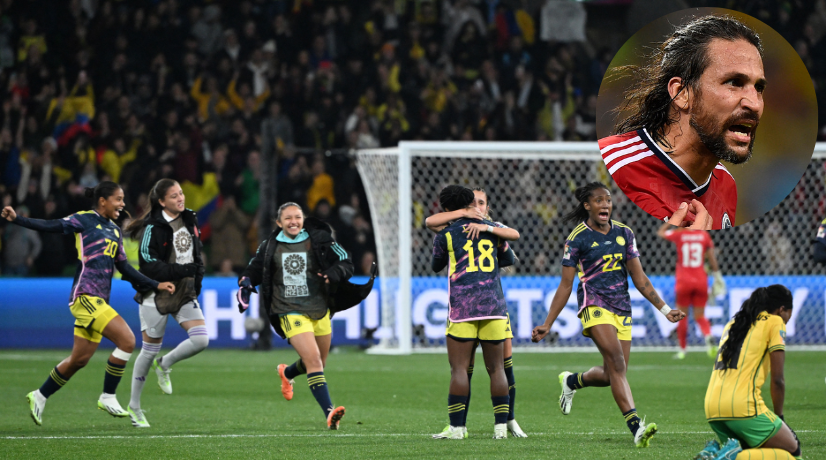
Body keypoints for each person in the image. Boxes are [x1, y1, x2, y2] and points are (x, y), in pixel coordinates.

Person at [1, 181, 174, 426]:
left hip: (99, 300)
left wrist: (155, 285)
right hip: (84, 297)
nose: (122, 204)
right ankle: (108, 395)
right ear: (103, 200)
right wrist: (18, 219)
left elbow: (124, 268)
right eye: (118, 199)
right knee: (127, 340)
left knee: (79, 360)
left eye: (123, 199)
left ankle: (39, 395)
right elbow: (52, 225)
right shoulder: (84, 220)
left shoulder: (115, 230)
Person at [531, 182, 685, 448]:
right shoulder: (577, 238)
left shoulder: (625, 233)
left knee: (613, 372)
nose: (605, 204)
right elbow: (566, 284)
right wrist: (548, 323)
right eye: (599, 200)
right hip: (594, 304)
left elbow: (639, 278)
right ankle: (636, 427)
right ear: (587, 205)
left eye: (608, 200)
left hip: (622, 307)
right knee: (616, 362)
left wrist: (665, 309)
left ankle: (571, 381)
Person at [600, 15, 766, 229]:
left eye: (759, 88)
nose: (755, 104)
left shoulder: (726, 185)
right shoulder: (612, 167)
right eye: (734, 82)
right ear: (681, 93)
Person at [237, 202, 353, 430]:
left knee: (319, 362)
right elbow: (253, 268)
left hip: (319, 307)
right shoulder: (270, 245)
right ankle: (330, 413)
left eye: (297, 217)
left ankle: (287, 372)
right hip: (288, 308)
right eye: (288, 218)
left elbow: (345, 261)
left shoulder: (319, 239)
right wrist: (246, 282)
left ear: (303, 218)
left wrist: (333, 273)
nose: (294, 222)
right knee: (314, 361)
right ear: (279, 223)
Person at [425, 187, 527, 438]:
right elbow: (508, 259)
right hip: (494, 308)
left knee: (459, 370)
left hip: (462, 310)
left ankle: (457, 428)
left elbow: (436, 265)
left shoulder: (447, 234)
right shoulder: (493, 231)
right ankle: (501, 428)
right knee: (497, 369)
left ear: (447, 208)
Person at [123, 179, 207, 428]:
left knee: (201, 339)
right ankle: (134, 407)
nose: (180, 198)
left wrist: (195, 282)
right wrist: (179, 271)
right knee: (148, 350)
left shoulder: (190, 219)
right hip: (157, 291)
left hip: (183, 291)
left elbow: (196, 254)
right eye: (174, 196)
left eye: (181, 193)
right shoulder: (152, 227)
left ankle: (166, 363)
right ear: (161, 202)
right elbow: (148, 263)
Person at [696, 285, 802, 460]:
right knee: (793, 452)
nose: (788, 319)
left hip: (712, 407)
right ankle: (734, 457)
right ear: (782, 309)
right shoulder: (775, 322)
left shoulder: (734, 323)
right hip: (742, 407)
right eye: (789, 313)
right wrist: (780, 417)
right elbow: (778, 380)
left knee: (754, 452)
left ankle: (713, 453)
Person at [657, 221, 726, 359]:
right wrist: (717, 276)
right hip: (701, 279)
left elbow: (661, 233)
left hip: (684, 280)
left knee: (682, 315)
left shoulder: (680, 235)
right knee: (700, 315)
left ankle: (682, 350)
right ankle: (708, 335)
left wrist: (671, 222)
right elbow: (712, 257)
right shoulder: (704, 235)